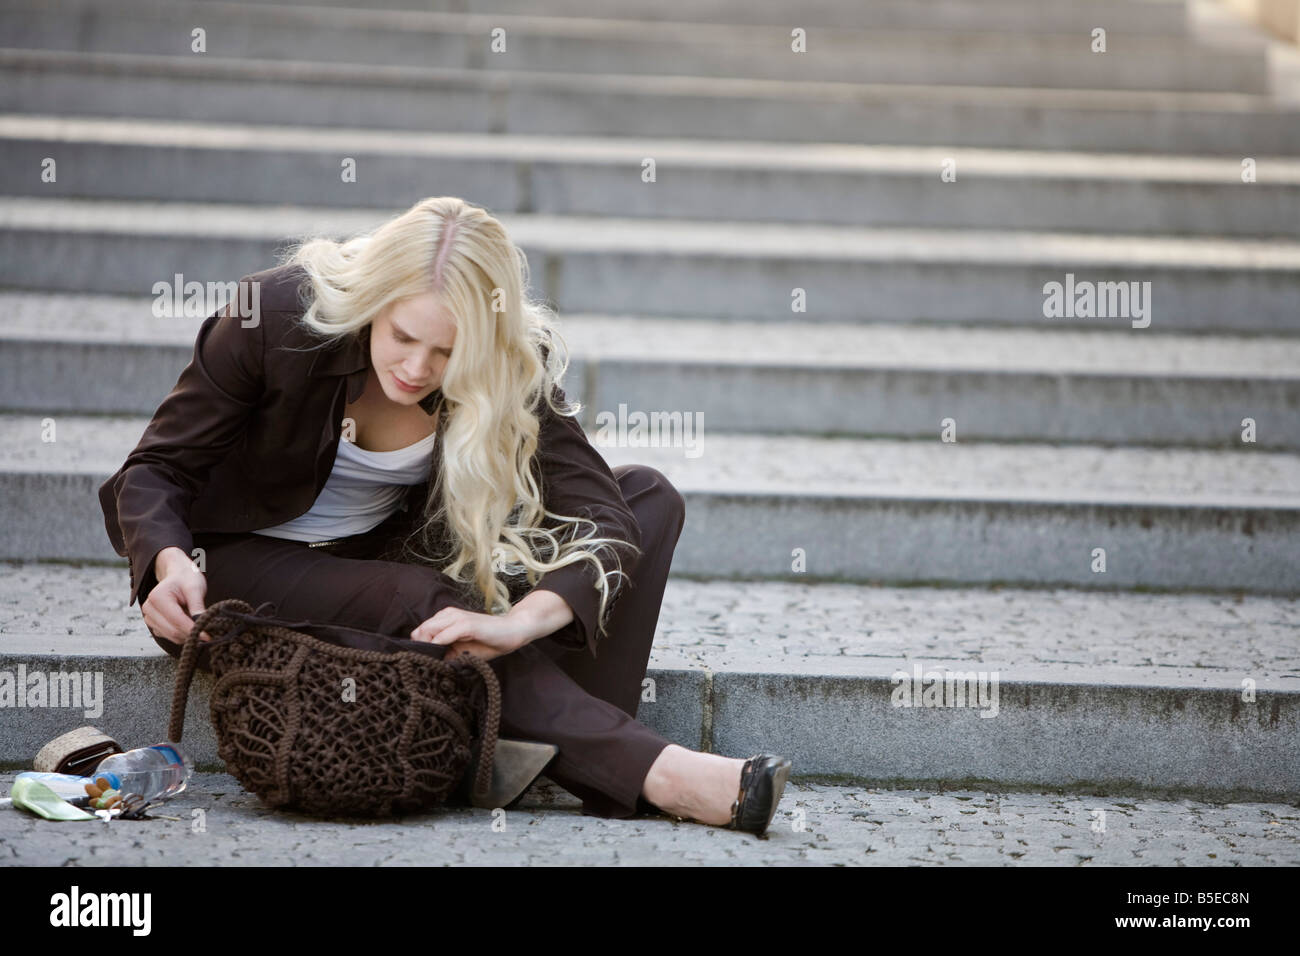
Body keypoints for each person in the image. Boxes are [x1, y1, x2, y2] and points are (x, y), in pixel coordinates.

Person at [98, 196, 791, 835]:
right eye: (402, 337)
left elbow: (603, 515)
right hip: (236, 571)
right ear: (373, 302)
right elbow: (156, 468)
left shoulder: (507, 360)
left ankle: (518, 747)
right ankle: (655, 771)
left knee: (648, 498)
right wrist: (164, 563)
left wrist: (516, 622)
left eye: (448, 352)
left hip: (378, 557)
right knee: (423, 598)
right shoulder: (274, 316)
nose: (416, 368)